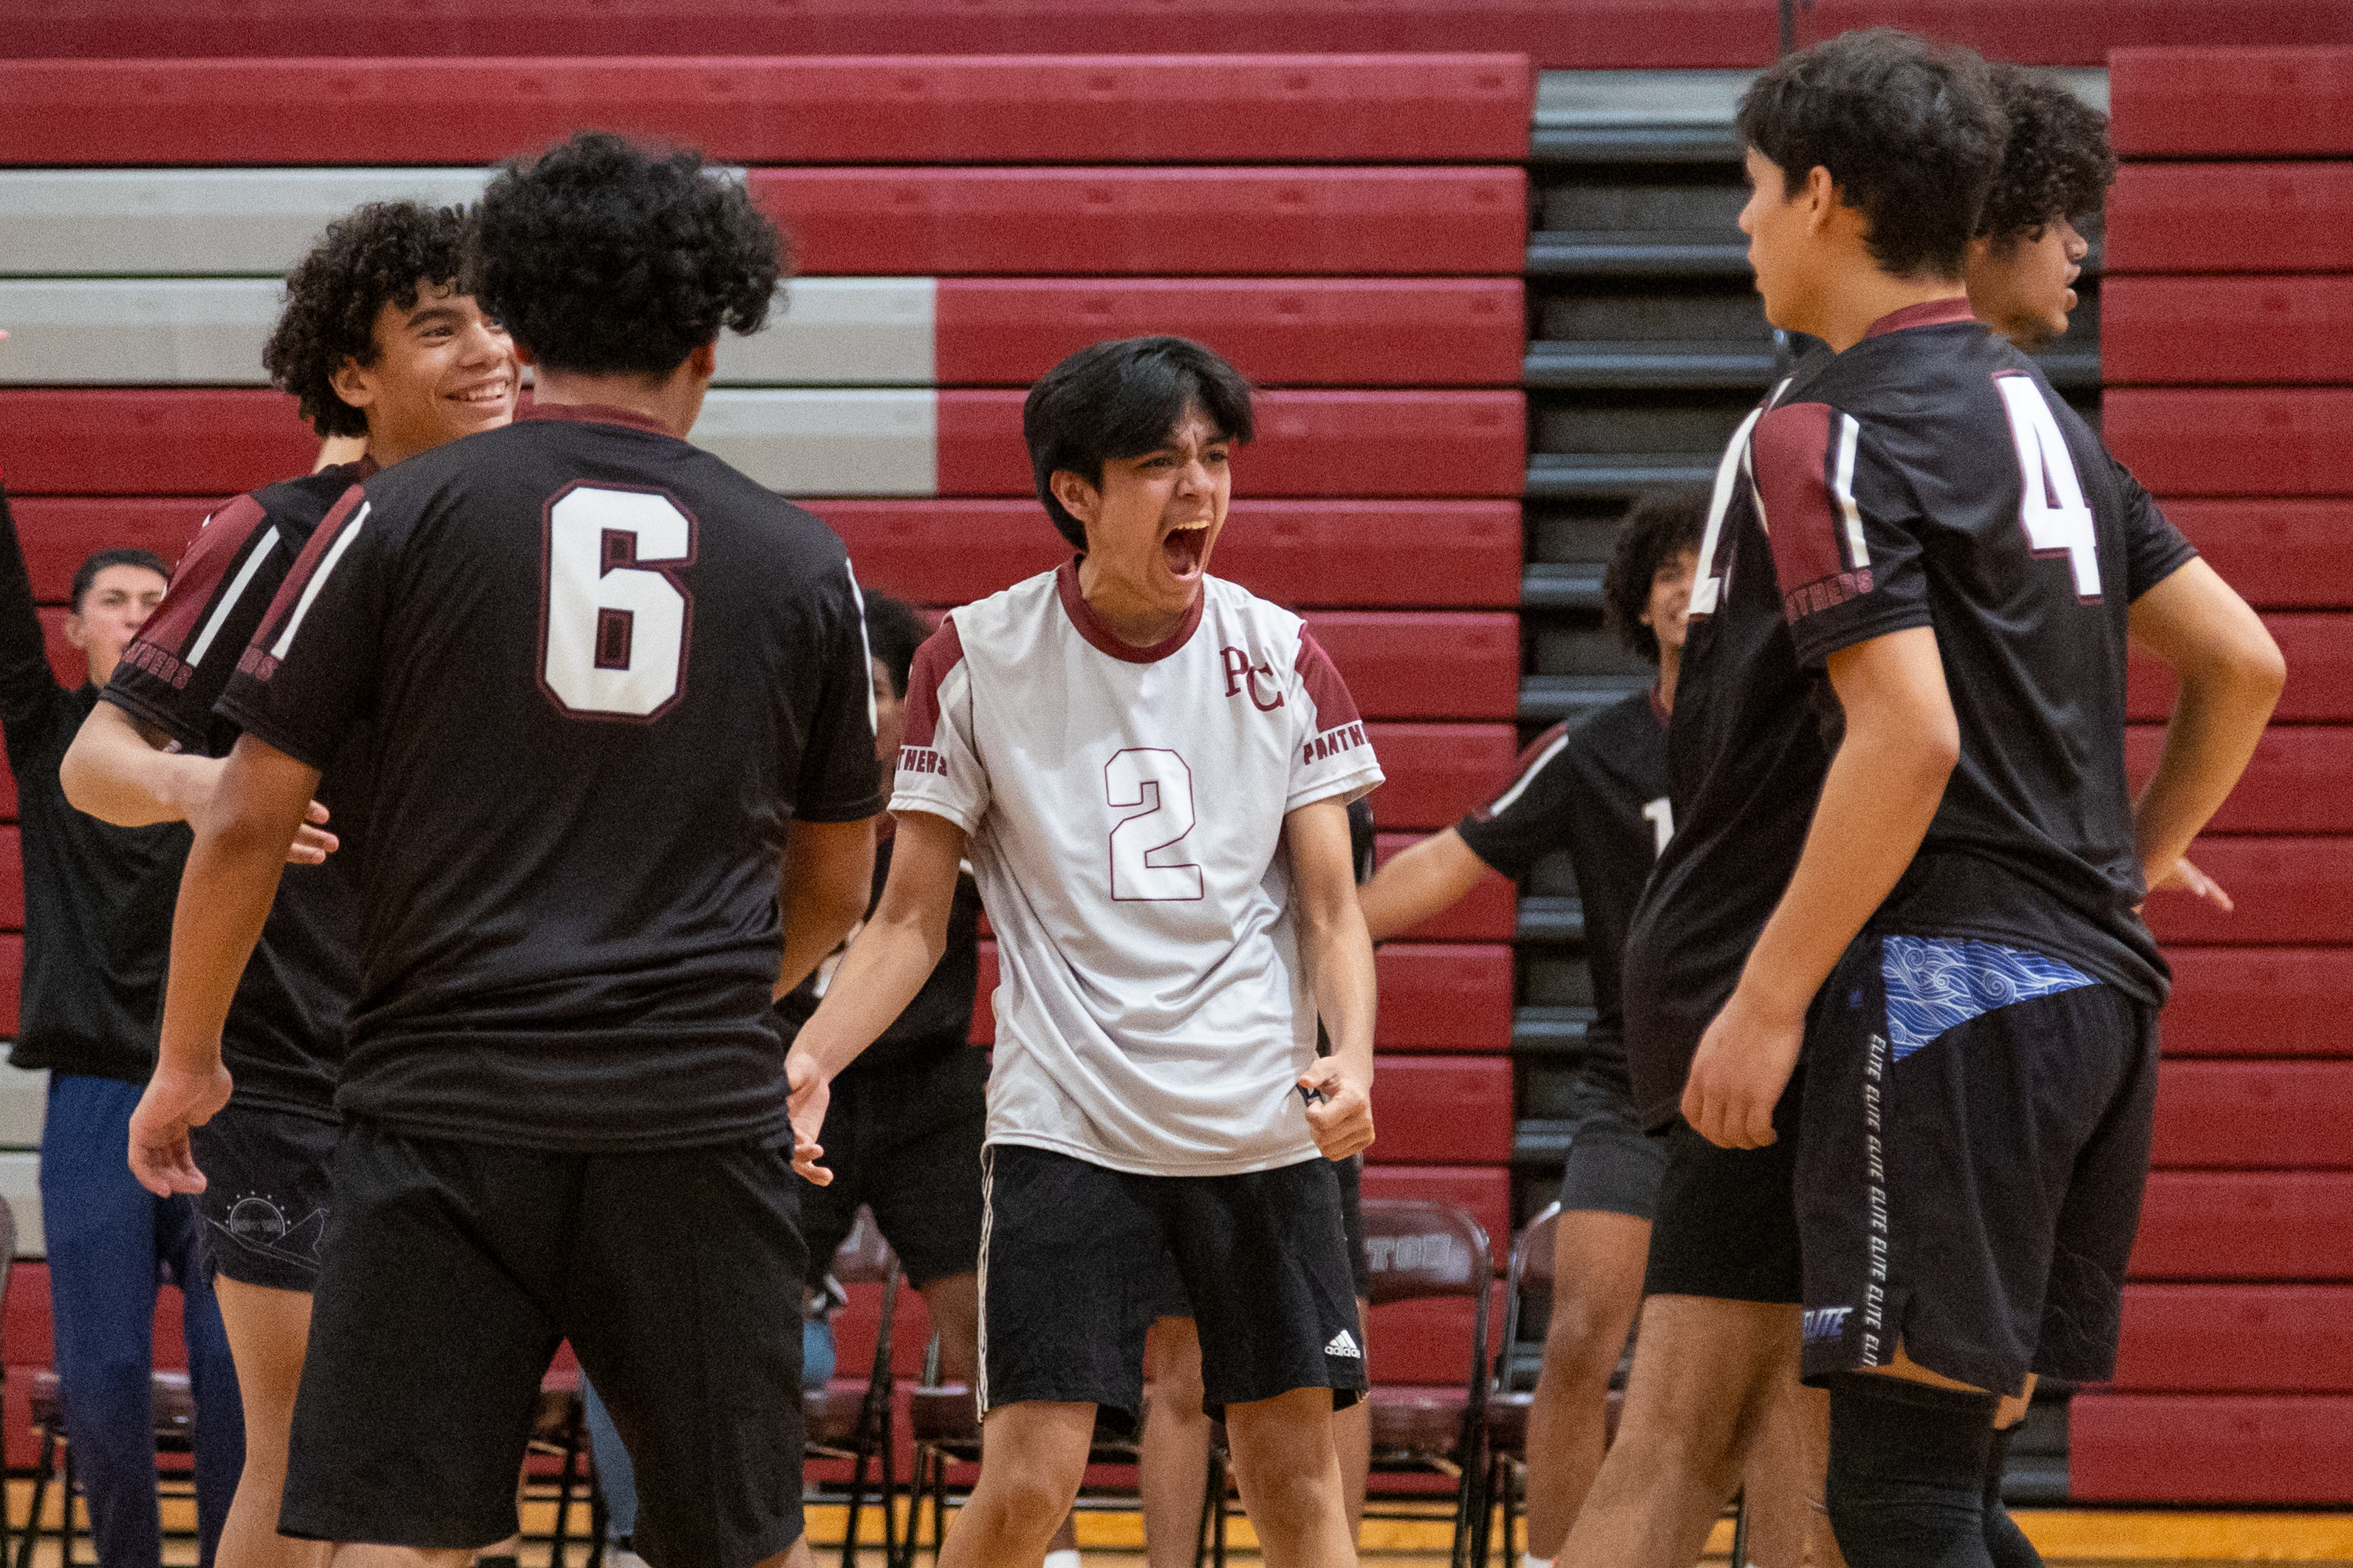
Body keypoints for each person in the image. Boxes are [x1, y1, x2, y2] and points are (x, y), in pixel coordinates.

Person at [120, 130, 882, 1568]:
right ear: (710, 344)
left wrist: (186, 1059)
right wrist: (699, 993)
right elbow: (838, 883)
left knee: (395, 1538)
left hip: (440, 1110)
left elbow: (244, 811)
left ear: (520, 328)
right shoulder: (798, 558)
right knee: (738, 1539)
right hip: (687, 1112)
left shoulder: (385, 514)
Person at [1594, 29, 2281, 1568]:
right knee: (1927, 1490)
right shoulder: (2034, 406)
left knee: (1889, 1499)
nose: (1739, 223)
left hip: (1934, 989)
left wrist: (1762, 996)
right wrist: (2125, 857)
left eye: (1754, 190)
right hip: (2089, 983)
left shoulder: (1816, 423)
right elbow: (2242, 662)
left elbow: (1897, 739)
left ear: (1823, 195)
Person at [786, 335, 1380, 1568]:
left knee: (1296, 1487)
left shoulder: (1282, 654)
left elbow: (1332, 908)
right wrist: (814, 1055)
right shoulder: (975, 658)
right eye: (1161, 462)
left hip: (1258, 1133)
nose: (1200, 490)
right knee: (1026, 1486)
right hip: (1069, 1127)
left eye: (1216, 459)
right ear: (1075, 490)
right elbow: (908, 918)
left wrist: (1355, 1056)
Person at [62, 199, 518, 1568]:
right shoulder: (277, 530)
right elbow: (100, 755)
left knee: (438, 1471)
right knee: (308, 1448)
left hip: (480, 1067)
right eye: (442, 327)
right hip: (294, 1065)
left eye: (499, 321)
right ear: (351, 374)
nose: (490, 350)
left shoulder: (535, 531)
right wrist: (201, 784)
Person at [1356, 488, 1821, 1567]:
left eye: (1700, 567)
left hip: (1777, 1078)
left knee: (1782, 1362)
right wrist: (1302, 939)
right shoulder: (1593, 749)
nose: (1682, 585)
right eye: (1662, 569)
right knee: (1580, 1333)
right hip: (1637, 1088)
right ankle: (1553, 1557)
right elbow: (1448, 859)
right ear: (1636, 601)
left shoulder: (1803, 737)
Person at [0, 473, 242, 1567]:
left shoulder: (235, 756)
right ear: (75, 628)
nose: (142, 609)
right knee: (100, 1373)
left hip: (228, 1096)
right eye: (117, 598)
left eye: (160, 595)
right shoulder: (50, 735)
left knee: (240, 1365)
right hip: (97, 1098)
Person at [1141, 797, 1379, 1568]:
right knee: (1181, 1369)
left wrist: (1352, 1057)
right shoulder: (1171, 776)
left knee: (1331, 1369)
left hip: (1295, 1106)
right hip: (1177, 1100)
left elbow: (1336, 924)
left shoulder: (1328, 788)